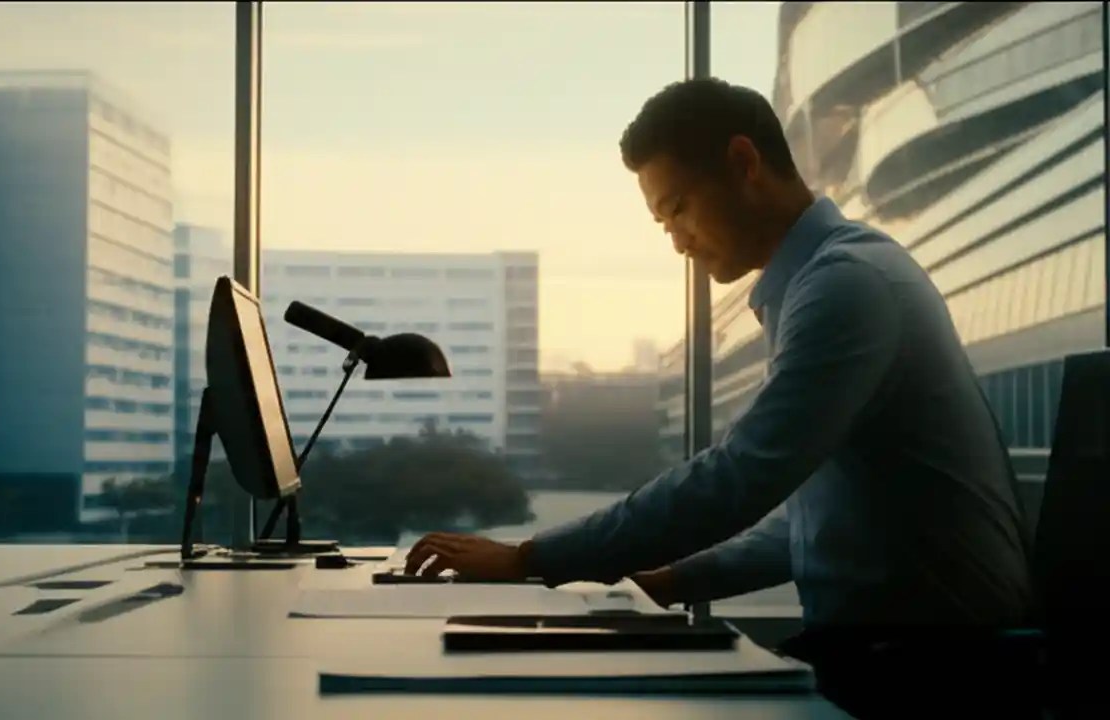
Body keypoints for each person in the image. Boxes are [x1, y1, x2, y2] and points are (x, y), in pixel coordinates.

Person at [404, 78, 1039, 716]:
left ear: (743, 163)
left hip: (933, 674)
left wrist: (530, 559)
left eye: (677, 207)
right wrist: (669, 581)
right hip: (894, 654)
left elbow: (740, 475)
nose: (675, 239)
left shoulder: (848, 287)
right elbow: (813, 525)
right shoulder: (827, 280)